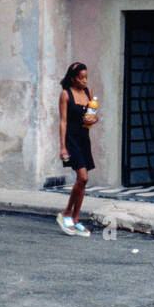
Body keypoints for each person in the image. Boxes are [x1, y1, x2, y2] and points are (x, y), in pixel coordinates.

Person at [56, 62, 95, 237]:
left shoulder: (88, 93)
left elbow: (92, 116)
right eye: (81, 78)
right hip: (71, 139)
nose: (84, 81)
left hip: (84, 138)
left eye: (86, 77)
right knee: (82, 176)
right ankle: (65, 213)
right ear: (73, 78)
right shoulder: (66, 95)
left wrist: (94, 120)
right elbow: (63, 121)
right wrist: (63, 147)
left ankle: (75, 218)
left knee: (83, 181)